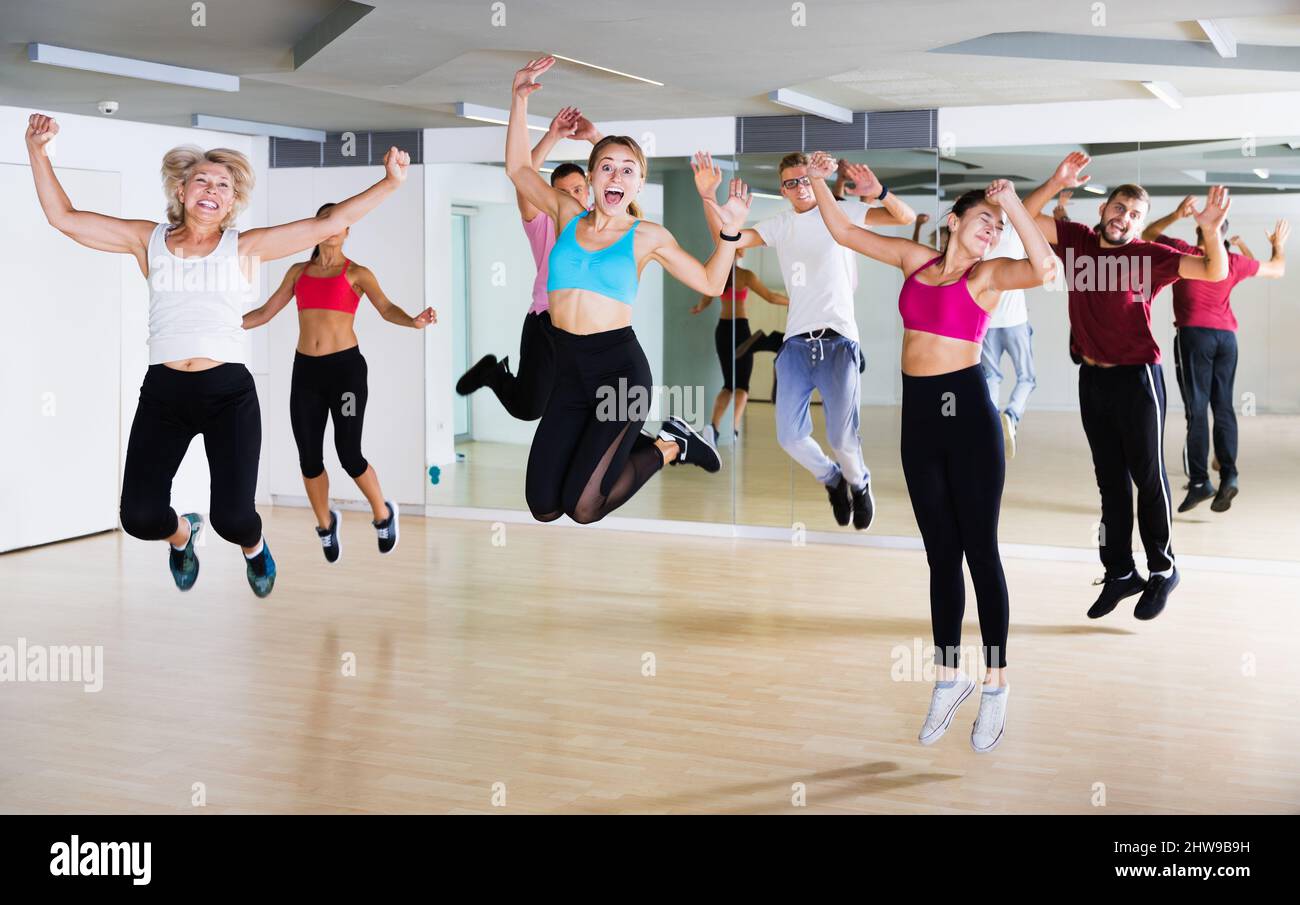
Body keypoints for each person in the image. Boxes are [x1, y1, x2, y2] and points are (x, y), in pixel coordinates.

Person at [23, 113, 409, 597]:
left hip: (228, 393)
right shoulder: (149, 242)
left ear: (232, 202)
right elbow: (65, 219)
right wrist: (38, 152)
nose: (212, 189)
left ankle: (254, 548)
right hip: (164, 393)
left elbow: (330, 222)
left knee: (234, 518)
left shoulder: (244, 247)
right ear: (182, 192)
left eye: (223, 185)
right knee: (139, 516)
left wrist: (390, 183)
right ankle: (182, 535)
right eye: (201, 180)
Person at [810, 151, 1054, 752]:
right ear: (953, 220)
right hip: (919, 418)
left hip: (969, 416)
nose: (991, 231)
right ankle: (950, 678)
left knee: (981, 554)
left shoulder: (989, 278)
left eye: (996, 228)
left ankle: (996, 685)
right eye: (984, 221)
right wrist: (817, 178)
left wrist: (1015, 206)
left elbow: (1045, 268)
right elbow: (842, 230)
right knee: (940, 556)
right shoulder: (915, 261)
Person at [506, 57, 750, 524]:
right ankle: (639, 440)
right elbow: (519, 168)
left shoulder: (646, 236)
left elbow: (712, 282)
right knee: (542, 505)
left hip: (619, 372)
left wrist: (731, 232)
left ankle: (671, 445)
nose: (615, 177)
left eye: (627, 170)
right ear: (592, 177)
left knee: (584, 507)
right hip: (567, 370)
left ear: (638, 181)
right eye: (606, 167)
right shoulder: (563, 213)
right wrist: (518, 99)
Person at [1022, 152, 1232, 621]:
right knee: (1109, 482)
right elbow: (1024, 215)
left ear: (1141, 224)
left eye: (1135, 214)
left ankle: (1162, 569)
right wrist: (1057, 181)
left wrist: (1212, 231)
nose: (1125, 218)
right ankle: (1120, 572)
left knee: (1148, 477)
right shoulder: (1076, 241)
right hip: (1091, 378)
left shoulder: (1151, 257)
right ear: (1103, 210)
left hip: (1138, 379)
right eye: (1119, 208)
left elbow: (1213, 271)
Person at [697, 152, 917, 530]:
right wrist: (708, 199)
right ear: (782, 190)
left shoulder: (841, 211)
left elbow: (904, 218)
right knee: (790, 437)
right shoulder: (779, 225)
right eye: (790, 183)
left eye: (804, 179)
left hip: (839, 342)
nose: (799, 188)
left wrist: (879, 191)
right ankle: (833, 479)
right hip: (797, 344)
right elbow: (729, 239)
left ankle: (859, 484)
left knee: (841, 437)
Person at [242, 203, 436, 562]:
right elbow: (266, 312)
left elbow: (386, 308)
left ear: (348, 231)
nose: (334, 228)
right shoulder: (298, 272)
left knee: (349, 453)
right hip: (307, 375)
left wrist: (413, 321)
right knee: (309, 458)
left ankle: (382, 512)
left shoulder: (357, 273)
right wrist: (224, 325)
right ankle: (325, 525)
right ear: (315, 228)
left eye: (341, 223)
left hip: (345, 373)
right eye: (326, 221)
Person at [456, 106, 603, 420]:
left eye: (578, 190)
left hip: (585, 324)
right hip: (544, 321)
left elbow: (621, 184)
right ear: (549, 195)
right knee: (528, 409)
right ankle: (493, 374)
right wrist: (551, 136)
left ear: (588, 192)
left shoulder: (601, 223)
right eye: (562, 192)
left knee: (588, 405)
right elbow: (523, 175)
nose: (573, 197)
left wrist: (594, 138)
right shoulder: (541, 222)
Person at [1141, 197, 1289, 512]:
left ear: (1201, 227)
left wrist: (1174, 214)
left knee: (1197, 410)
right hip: (1227, 338)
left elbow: (1148, 234)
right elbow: (1278, 269)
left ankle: (1199, 482)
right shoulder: (1233, 261)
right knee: (1223, 407)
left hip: (1194, 335)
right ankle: (1230, 475)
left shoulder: (1184, 252)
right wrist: (1277, 246)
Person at [689, 245, 787, 443]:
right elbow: (770, 297)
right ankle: (733, 429)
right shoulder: (746, 276)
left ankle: (714, 428)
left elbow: (706, 299)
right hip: (741, 332)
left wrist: (698, 308)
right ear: (738, 252)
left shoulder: (717, 276)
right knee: (742, 386)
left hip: (723, 331)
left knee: (728, 384)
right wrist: (793, 302)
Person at [979, 223, 1036, 458]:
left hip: (988, 322)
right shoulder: (1015, 233)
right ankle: (1011, 415)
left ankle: (990, 425)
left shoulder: (981, 243)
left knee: (991, 376)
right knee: (1027, 377)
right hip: (1016, 322)